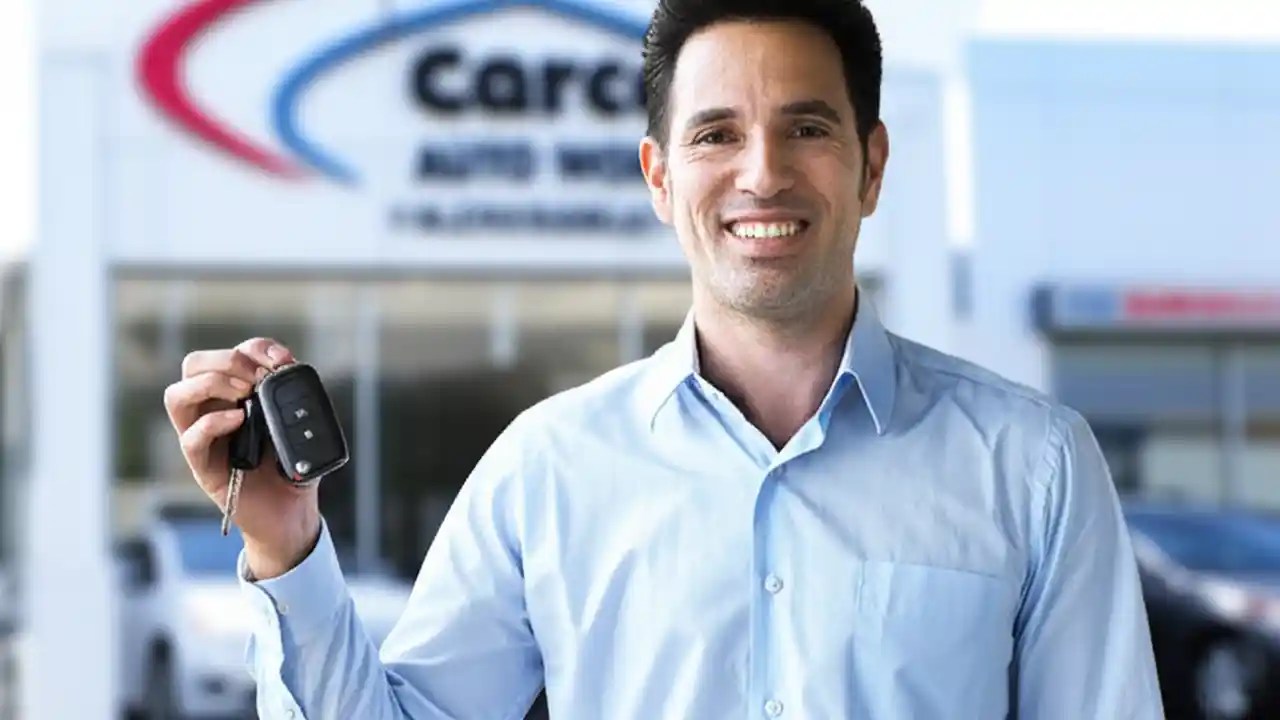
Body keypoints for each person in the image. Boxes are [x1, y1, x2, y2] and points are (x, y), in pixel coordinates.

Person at [163, 0, 1165, 717]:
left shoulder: (1031, 465)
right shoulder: (546, 467)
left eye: (805, 128)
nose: (761, 173)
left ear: (870, 166)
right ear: (657, 176)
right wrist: (284, 548)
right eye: (716, 133)